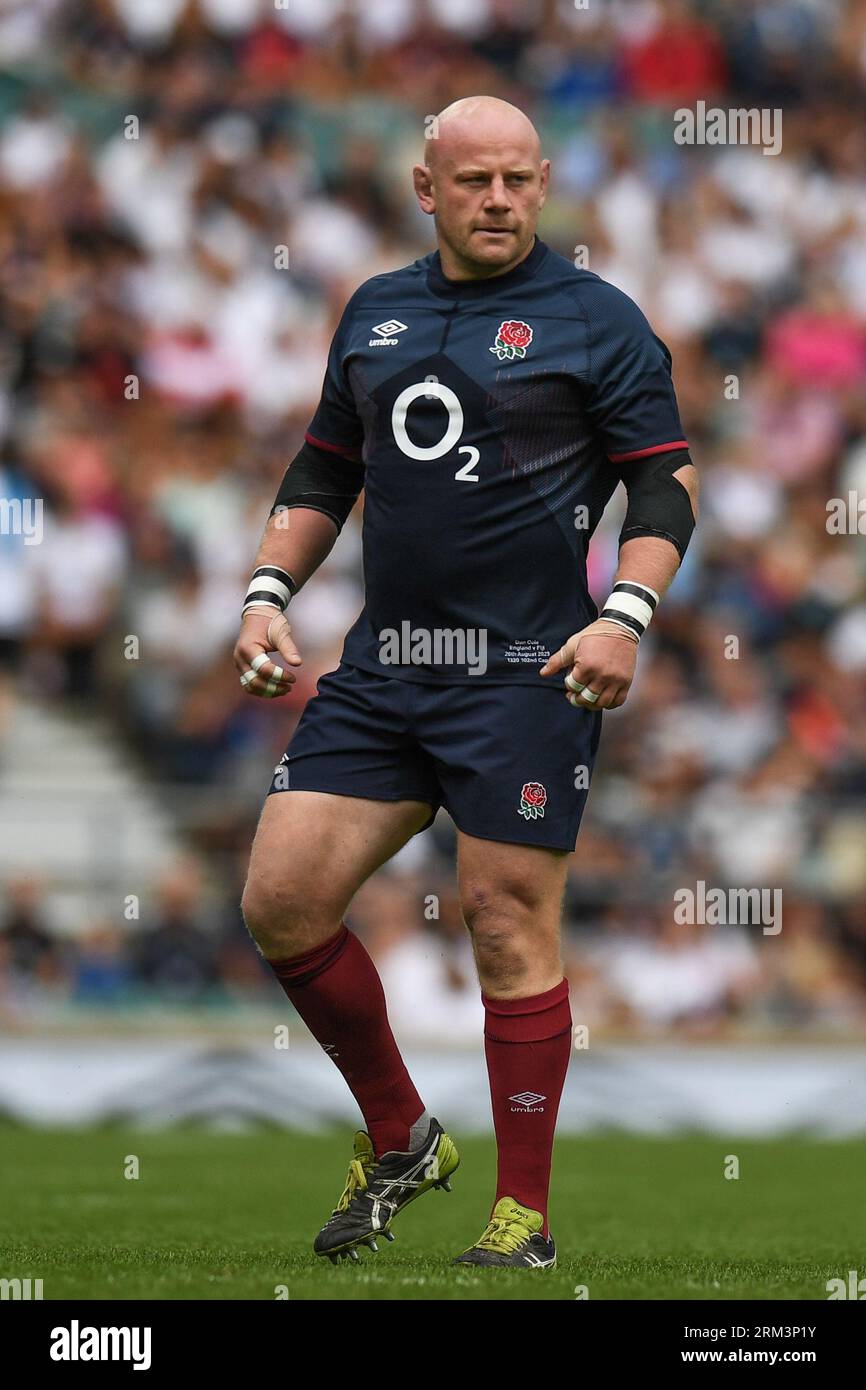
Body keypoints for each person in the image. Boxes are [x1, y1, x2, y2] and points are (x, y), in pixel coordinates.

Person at [235, 95, 698, 1269]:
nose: (498, 200)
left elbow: (661, 492)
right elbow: (321, 470)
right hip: (386, 668)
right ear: (423, 188)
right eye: (473, 181)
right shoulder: (375, 311)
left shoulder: (598, 321)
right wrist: (264, 594)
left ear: (543, 183)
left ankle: (524, 1218)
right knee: (280, 900)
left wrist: (624, 615)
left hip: (527, 675)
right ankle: (402, 1133)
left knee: (503, 921)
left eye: (517, 181)